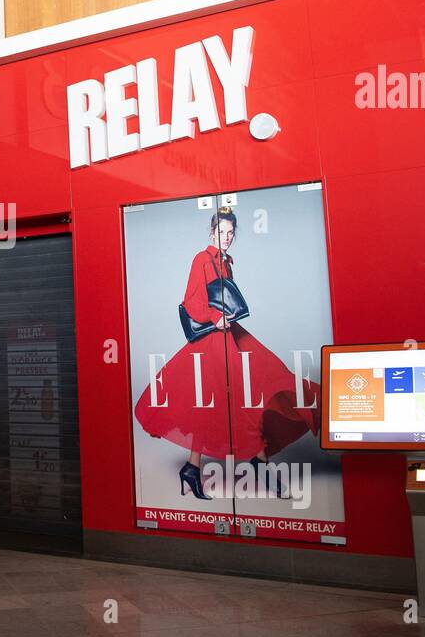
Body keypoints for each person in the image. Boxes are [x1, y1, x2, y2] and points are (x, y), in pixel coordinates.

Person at [134, 207, 320, 499]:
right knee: (236, 397)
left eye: (231, 233)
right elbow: (190, 301)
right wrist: (213, 318)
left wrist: (225, 318)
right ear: (212, 232)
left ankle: (193, 469)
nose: (227, 238)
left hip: (228, 336)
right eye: (222, 232)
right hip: (213, 341)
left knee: (261, 382)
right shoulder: (202, 259)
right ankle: (258, 460)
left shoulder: (226, 262)